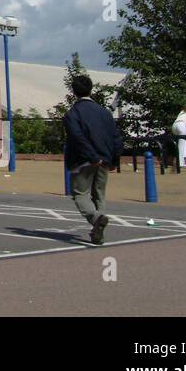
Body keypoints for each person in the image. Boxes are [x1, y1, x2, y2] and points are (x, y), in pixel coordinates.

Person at [62, 73, 123, 244]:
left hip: (84, 159)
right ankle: (98, 230)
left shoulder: (72, 114)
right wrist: (115, 160)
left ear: (74, 92)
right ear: (91, 89)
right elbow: (116, 137)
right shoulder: (104, 113)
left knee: (80, 194)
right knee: (99, 194)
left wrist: (92, 156)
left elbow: (77, 137)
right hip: (105, 157)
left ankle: (96, 219)